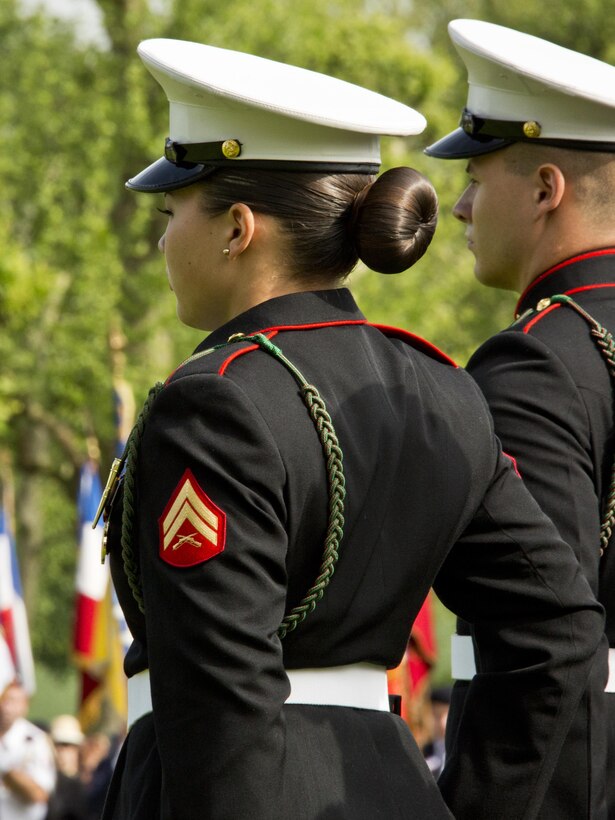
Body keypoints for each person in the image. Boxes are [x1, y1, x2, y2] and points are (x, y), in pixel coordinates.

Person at [98, 38, 604, 819]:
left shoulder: (214, 403)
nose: (164, 241)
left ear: (237, 227)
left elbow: (221, 707)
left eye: (172, 213)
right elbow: (559, 635)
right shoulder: (442, 390)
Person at [425, 18, 615, 819]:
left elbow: (543, 643)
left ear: (545, 188)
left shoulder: (534, 362)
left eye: (477, 174)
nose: (461, 206)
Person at [0, 681, 56, 820]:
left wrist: (6, 772)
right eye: (3, 699)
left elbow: (38, 794)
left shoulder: (35, 741)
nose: (5, 707)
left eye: (13, 701)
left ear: (25, 706)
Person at [46, 715, 88, 820]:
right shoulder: (43, 781)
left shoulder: (89, 785)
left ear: (78, 748)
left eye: (67, 745)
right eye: (56, 745)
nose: (60, 751)